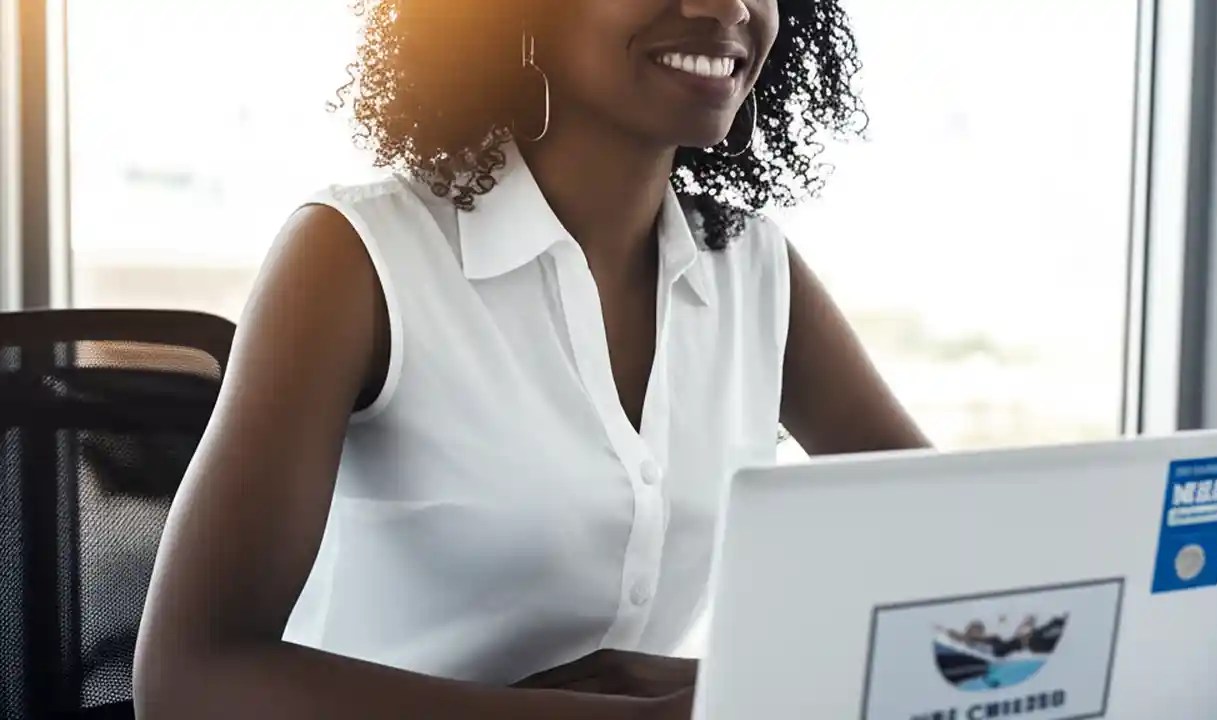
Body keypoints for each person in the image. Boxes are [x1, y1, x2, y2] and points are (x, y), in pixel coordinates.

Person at [133, 1, 929, 718]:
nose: (720, 7)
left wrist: (732, 684)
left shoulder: (753, 269)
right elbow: (190, 680)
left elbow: (957, 548)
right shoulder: (357, 257)